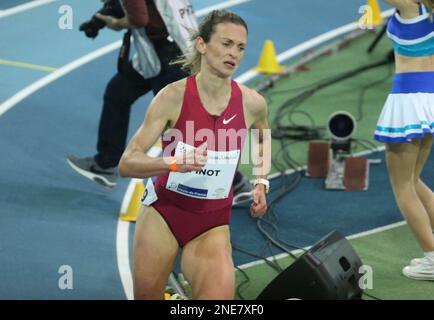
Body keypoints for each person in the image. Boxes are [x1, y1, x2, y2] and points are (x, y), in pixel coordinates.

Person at [118, 9, 271, 299]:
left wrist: (262, 181)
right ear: (201, 44)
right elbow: (127, 163)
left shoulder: (252, 103)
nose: (234, 54)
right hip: (163, 214)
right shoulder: (171, 98)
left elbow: (262, 136)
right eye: (226, 44)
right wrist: (173, 163)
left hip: (211, 222)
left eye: (240, 47)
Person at [66, 0, 253, 200]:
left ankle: (235, 183)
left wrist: (116, 24)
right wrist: (98, 21)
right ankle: (106, 162)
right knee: (117, 94)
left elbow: (138, 17)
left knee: (187, 124)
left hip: (168, 54)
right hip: (167, 47)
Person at [374, 0, 434, 280]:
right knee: (414, 180)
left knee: (403, 187)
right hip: (429, 97)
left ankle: (432, 258)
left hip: (409, 100)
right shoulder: (425, 10)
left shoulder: (412, 7)